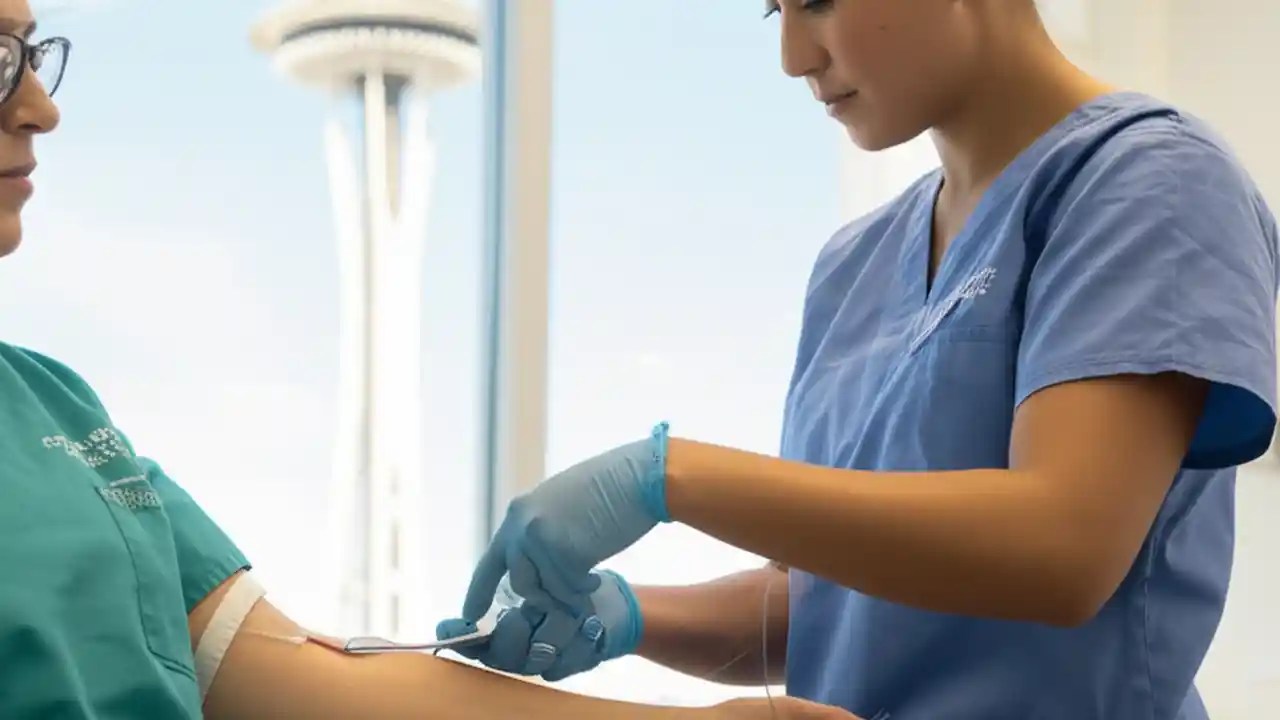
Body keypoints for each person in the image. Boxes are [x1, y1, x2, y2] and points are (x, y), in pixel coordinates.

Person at [0, 1, 868, 718]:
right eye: (3, 56)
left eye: (35, 56)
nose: (43, 104)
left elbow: (305, 681)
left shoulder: (53, 407)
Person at [440, 1, 1280, 719]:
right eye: (775, 10)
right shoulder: (854, 266)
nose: (793, 57)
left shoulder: (1150, 183)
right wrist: (624, 618)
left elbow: (1063, 550)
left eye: (817, 0)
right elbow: (824, 606)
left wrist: (668, 479)